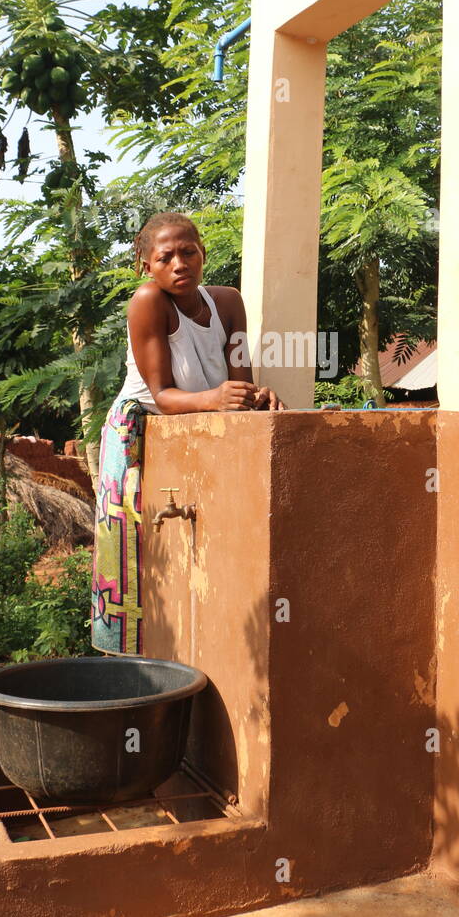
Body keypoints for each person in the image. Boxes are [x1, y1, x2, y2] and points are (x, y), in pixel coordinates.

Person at [91, 211, 285, 654]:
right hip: (139, 438)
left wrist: (256, 398)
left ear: (203, 253)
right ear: (147, 266)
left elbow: (239, 386)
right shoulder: (147, 301)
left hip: (201, 428)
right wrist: (217, 398)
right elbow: (161, 395)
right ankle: (131, 674)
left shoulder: (228, 303)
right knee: (137, 566)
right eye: (165, 257)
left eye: (188, 252)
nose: (179, 264)